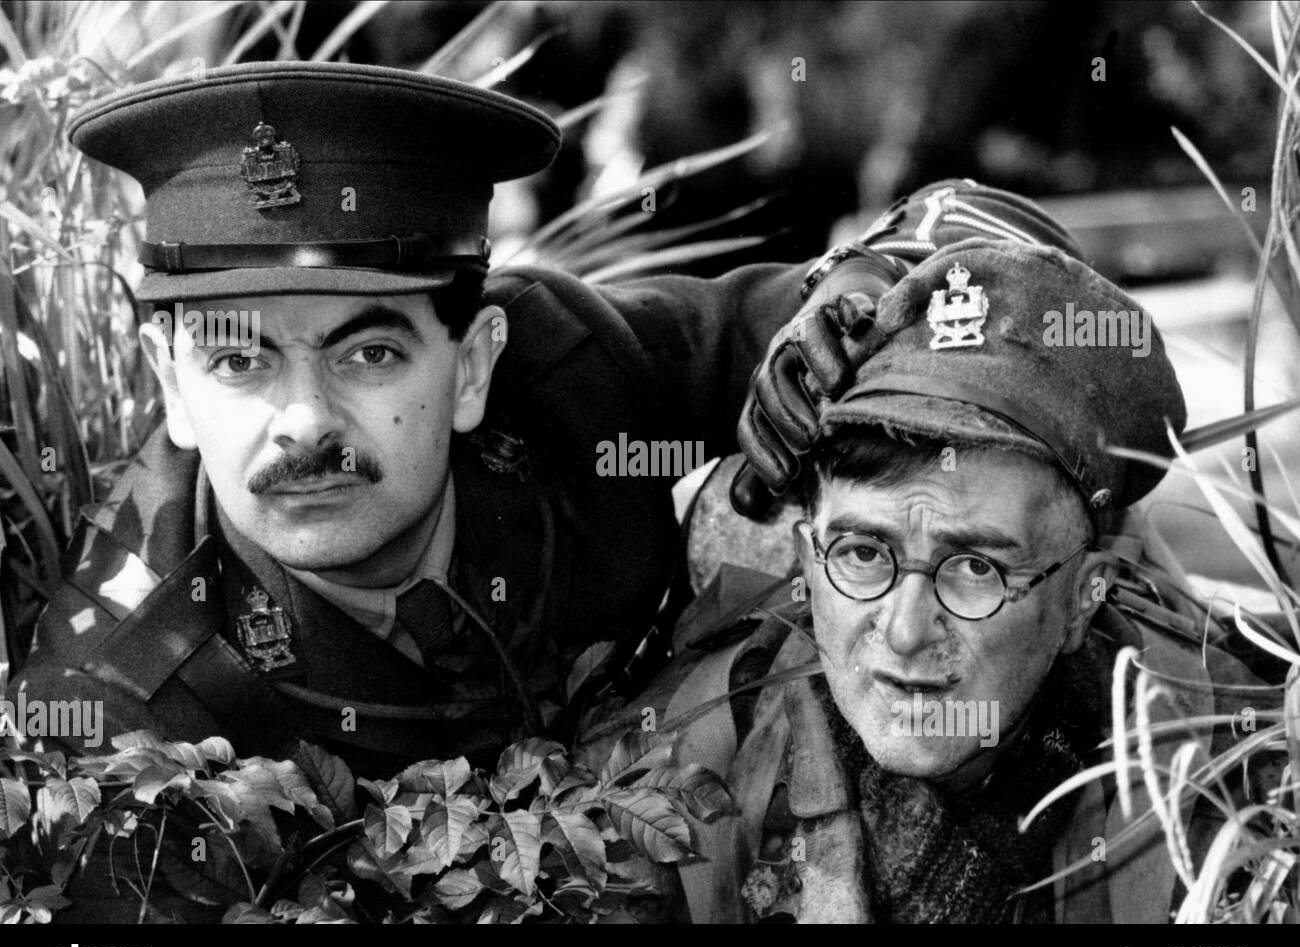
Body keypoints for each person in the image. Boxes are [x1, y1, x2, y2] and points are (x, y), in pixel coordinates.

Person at [6, 60, 1080, 784]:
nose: (304, 423)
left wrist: (879, 283)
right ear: (173, 386)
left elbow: (976, 250)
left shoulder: (568, 371)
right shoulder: (118, 705)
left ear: (473, 367)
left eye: (369, 353)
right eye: (238, 360)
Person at [618, 240, 1271, 923]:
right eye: (864, 554)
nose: (904, 631)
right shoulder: (668, 781)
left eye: (974, 569)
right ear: (807, 560)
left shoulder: (1218, 793)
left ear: (1085, 597)